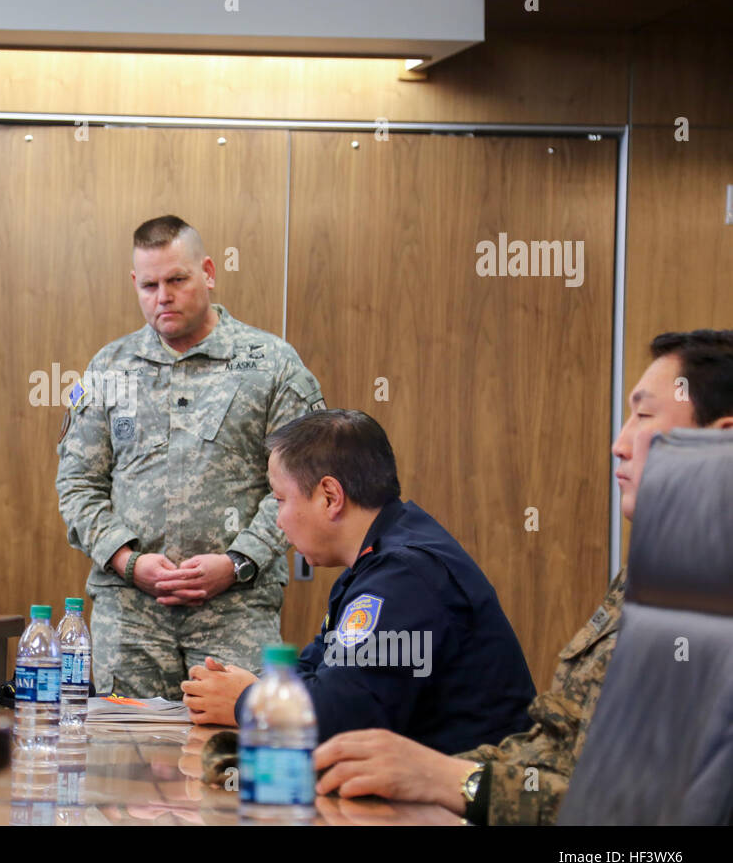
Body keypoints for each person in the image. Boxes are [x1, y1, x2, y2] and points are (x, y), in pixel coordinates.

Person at [309, 329, 733, 824]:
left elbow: (645, 813)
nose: (619, 444)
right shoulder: (665, 573)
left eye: (643, 415)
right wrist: (415, 772)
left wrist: (452, 781)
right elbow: (554, 747)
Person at [56, 215, 326, 699]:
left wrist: (239, 561)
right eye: (149, 284)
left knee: (235, 755)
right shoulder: (108, 369)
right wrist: (127, 560)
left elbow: (302, 484)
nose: (163, 296)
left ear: (207, 271)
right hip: (131, 614)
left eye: (177, 279)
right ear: (135, 284)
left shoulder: (271, 363)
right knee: (126, 760)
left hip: (236, 610)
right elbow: (77, 484)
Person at [181, 408, 536, 754]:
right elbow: (317, 673)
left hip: (467, 797)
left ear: (330, 497)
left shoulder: (406, 576)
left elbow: (343, 719)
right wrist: (245, 690)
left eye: (280, 500)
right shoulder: (372, 562)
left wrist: (248, 701)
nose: (279, 522)